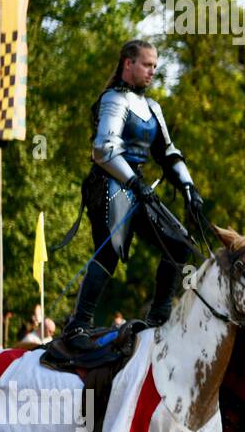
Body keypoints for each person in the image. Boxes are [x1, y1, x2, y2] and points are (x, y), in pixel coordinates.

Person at [59, 40, 203, 350]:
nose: (153, 70)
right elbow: (103, 149)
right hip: (108, 183)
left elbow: (168, 152)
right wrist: (134, 183)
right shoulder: (114, 99)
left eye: (155, 65)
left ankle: (158, 319)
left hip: (138, 188)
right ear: (128, 64)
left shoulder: (153, 108)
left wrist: (188, 186)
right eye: (147, 64)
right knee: (108, 253)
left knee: (179, 245)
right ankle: (77, 326)